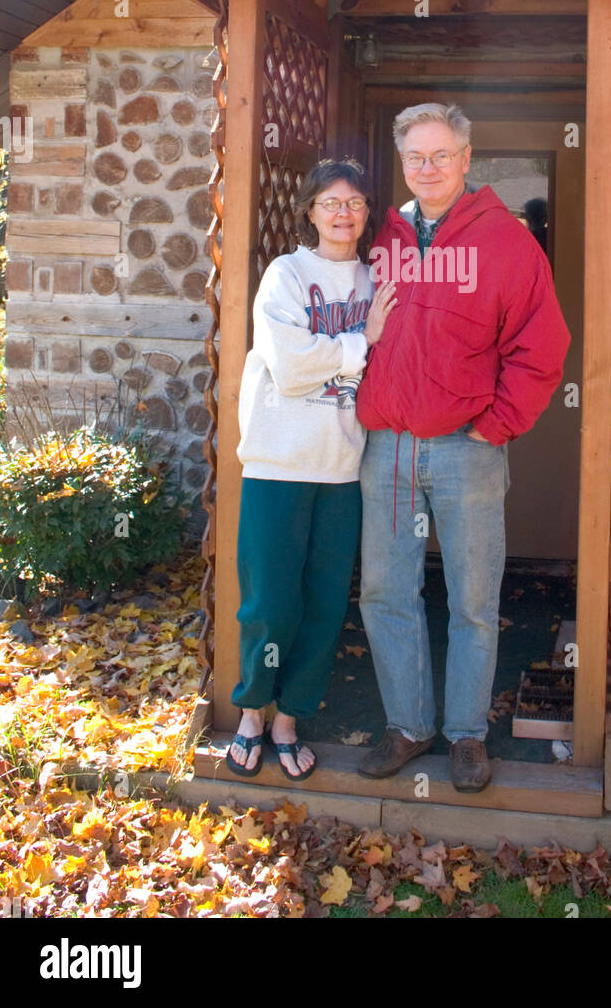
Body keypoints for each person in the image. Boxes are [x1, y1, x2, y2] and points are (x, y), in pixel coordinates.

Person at [355, 104, 570, 793]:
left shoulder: (507, 243)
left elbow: (542, 345)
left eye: (441, 155)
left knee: (474, 599)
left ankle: (467, 734)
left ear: (467, 158)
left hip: (465, 449)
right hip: (387, 447)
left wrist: (500, 422)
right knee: (388, 592)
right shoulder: (380, 238)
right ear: (403, 163)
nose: (428, 169)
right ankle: (408, 725)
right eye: (416, 157)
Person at [226, 158, 396, 780]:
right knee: (270, 602)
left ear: (366, 212)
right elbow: (292, 367)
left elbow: (392, 360)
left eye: (354, 201)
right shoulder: (287, 275)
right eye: (331, 201)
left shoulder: (378, 280)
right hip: (278, 463)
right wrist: (361, 343)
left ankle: (291, 718)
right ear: (310, 211)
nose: (343, 212)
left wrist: (356, 347)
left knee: (325, 605)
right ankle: (251, 712)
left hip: (343, 467)